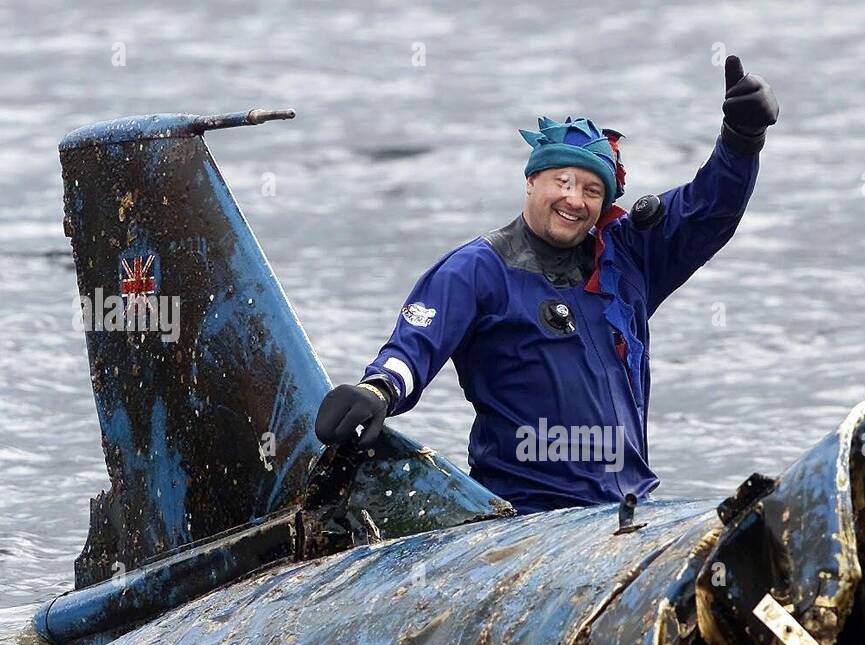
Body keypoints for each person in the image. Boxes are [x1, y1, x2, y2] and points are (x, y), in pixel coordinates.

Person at [316, 55, 778, 514]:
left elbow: (706, 211)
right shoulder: (476, 269)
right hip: (525, 517)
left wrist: (740, 140)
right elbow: (414, 346)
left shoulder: (629, 262)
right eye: (563, 181)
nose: (574, 200)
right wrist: (378, 389)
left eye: (592, 191)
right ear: (532, 180)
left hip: (629, 510)